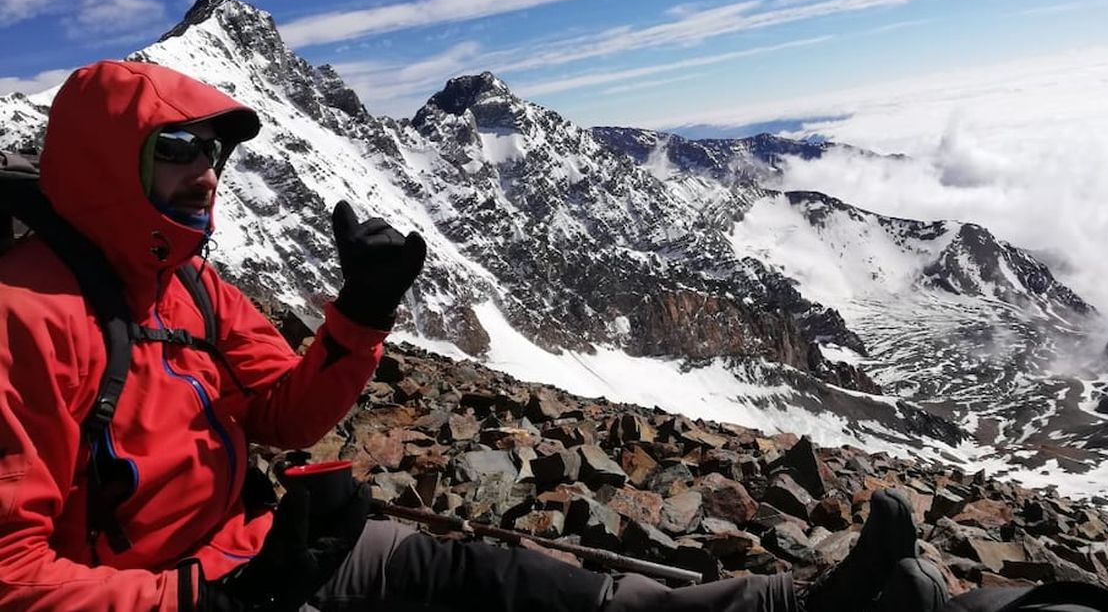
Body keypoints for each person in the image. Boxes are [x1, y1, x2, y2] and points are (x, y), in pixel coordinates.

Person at [0, 60, 810, 612]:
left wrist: (363, 311)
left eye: (212, 150)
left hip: (261, 555)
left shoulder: (190, 284)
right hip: (187, 595)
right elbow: (11, 575)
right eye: (177, 148)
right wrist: (206, 600)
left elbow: (285, 416)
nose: (207, 170)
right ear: (110, 166)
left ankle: (788, 601)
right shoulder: (23, 317)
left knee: (498, 577)